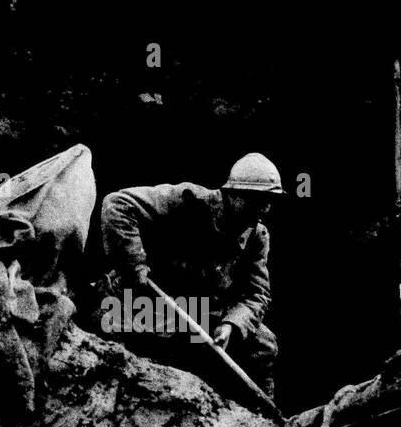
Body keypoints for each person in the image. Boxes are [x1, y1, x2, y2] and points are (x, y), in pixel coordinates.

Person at [99, 152, 282, 397]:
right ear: (234, 195)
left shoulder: (257, 236)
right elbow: (117, 204)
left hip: (200, 313)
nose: (265, 210)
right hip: (147, 302)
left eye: (269, 201)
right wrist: (135, 266)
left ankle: (261, 420)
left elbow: (257, 296)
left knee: (263, 343)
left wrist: (231, 325)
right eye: (258, 201)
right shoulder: (188, 201)